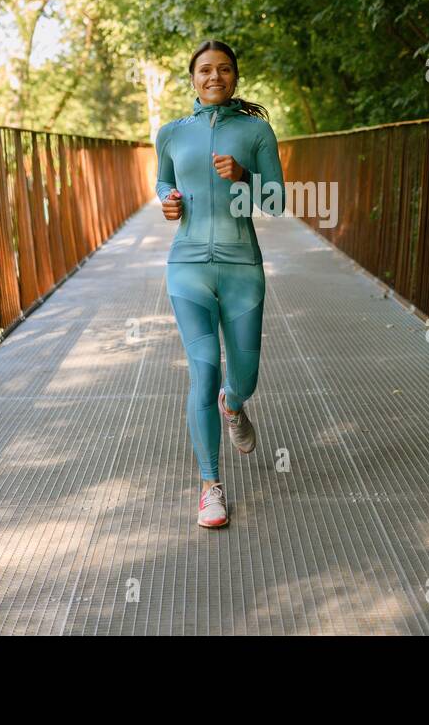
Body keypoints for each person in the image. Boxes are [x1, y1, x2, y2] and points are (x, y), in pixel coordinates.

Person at [154, 39, 286, 527]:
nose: (214, 77)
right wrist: (168, 198)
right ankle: (210, 486)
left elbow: (275, 202)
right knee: (203, 373)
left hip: (241, 267)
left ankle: (234, 405)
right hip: (187, 266)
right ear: (192, 78)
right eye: (205, 70)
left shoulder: (256, 132)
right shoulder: (170, 133)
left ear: (235, 77)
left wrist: (245, 176)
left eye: (224, 69)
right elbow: (163, 182)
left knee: (243, 378)